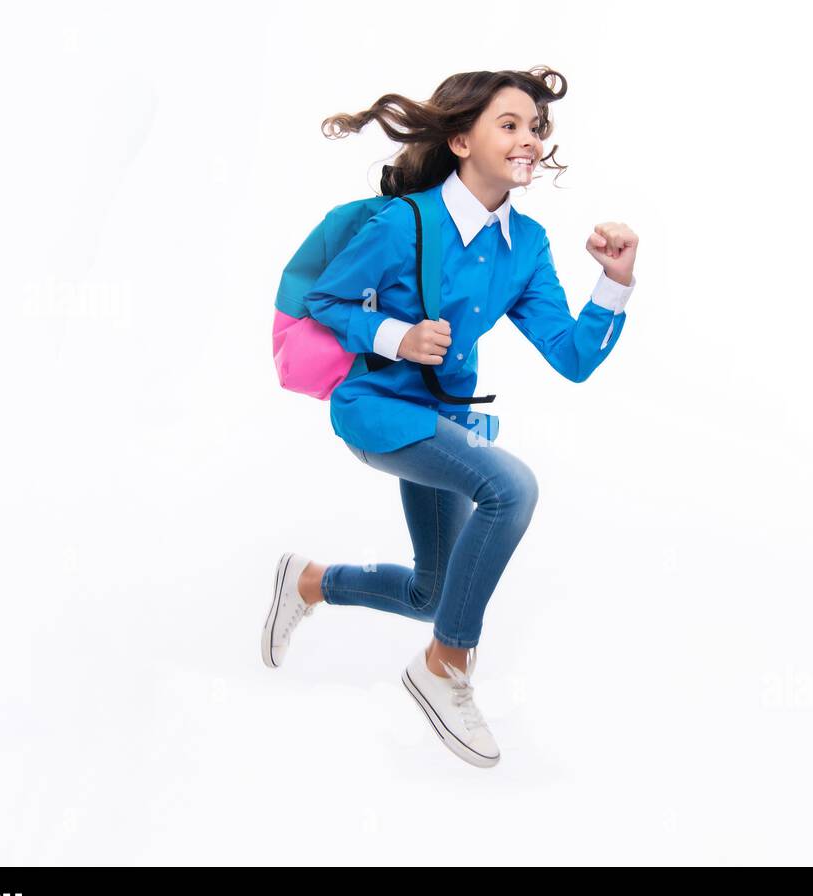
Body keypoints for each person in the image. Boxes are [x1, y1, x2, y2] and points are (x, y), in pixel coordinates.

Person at [261, 66, 639, 768]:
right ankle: (446, 666)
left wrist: (614, 281)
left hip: (443, 418)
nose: (529, 138)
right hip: (376, 410)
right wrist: (395, 338)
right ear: (461, 141)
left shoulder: (525, 247)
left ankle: (307, 580)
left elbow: (573, 356)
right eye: (510, 124)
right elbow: (328, 303)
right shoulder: (403, 222)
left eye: (535, 127)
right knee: (511, 487)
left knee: (430, 590)